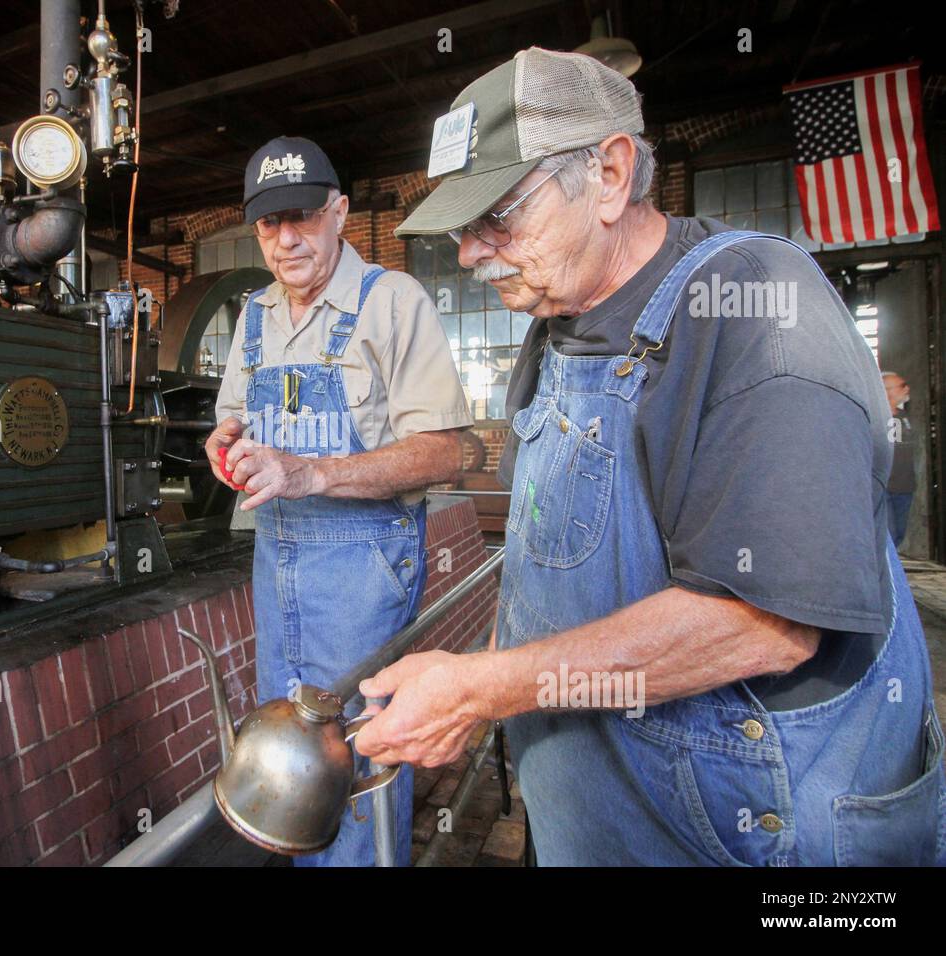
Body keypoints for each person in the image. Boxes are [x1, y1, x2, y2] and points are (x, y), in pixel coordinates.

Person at [353, 47, 946, 865]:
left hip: (748, 831)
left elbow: (764, 626)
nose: (470, 254)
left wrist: (484, 688)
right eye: (461, 228)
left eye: (498, 217)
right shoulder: (552, 332)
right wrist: (490, 686)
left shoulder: (755, 307)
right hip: (599, 819)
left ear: (609, 173)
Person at [206, 136, 473, 866]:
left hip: (363, 569)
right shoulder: (255, 315)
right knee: (291, 755)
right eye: (269, 224)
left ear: (340, 211)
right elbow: (232, 419)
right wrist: (226, 443)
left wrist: (310, 473)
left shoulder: (392, 302)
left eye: (303, 217)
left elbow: (448, 450)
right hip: (277, 562)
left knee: (362, 753)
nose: (287, 239)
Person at [883, 372, 915, 548]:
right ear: (887, 391)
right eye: (902, 385)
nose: (907, 389)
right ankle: (887, 575)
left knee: (898, 535)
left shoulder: (905, 416)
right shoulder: (876, 417)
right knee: (889, 535)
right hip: (885, 487)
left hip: (905, 487)